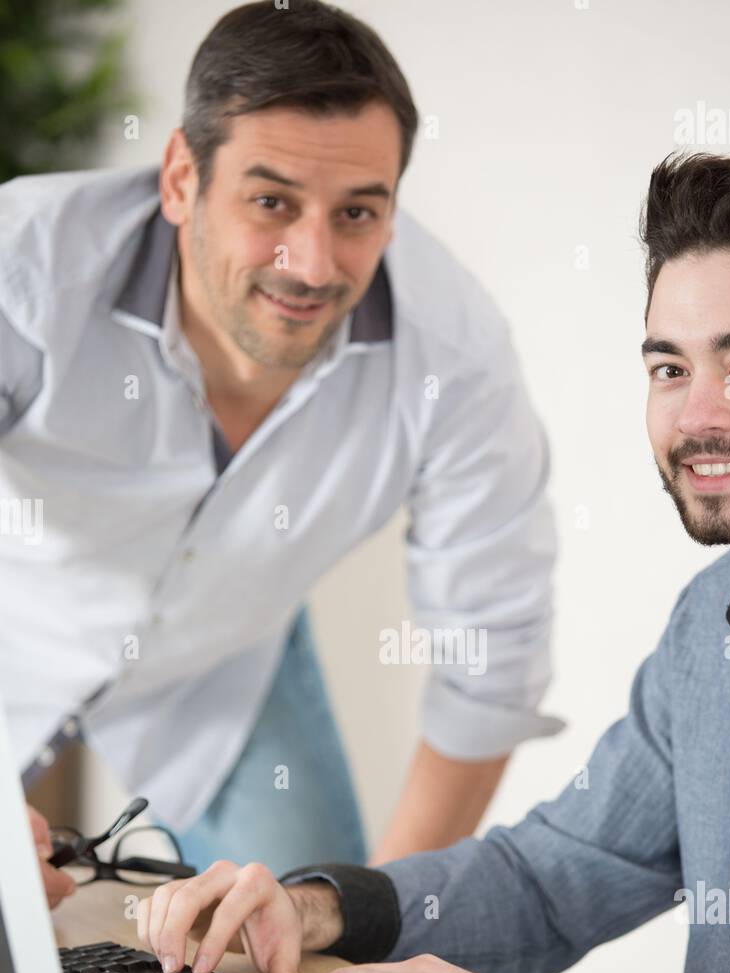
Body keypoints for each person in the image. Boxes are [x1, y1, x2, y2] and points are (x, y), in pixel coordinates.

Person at [134, 152, 730, 973]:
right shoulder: (705, 630)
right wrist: (317, 908)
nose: (697, 414)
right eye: (668, 367)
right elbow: (553, 874)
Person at [3, 0, 561, 899]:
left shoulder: (454, 356)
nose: (311, 263)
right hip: (18, 612)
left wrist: (364, 932)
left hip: (229, 647)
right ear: (182, 177)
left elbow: (490, 667)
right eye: (271, 201)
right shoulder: (25, 265)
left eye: (357, 213)